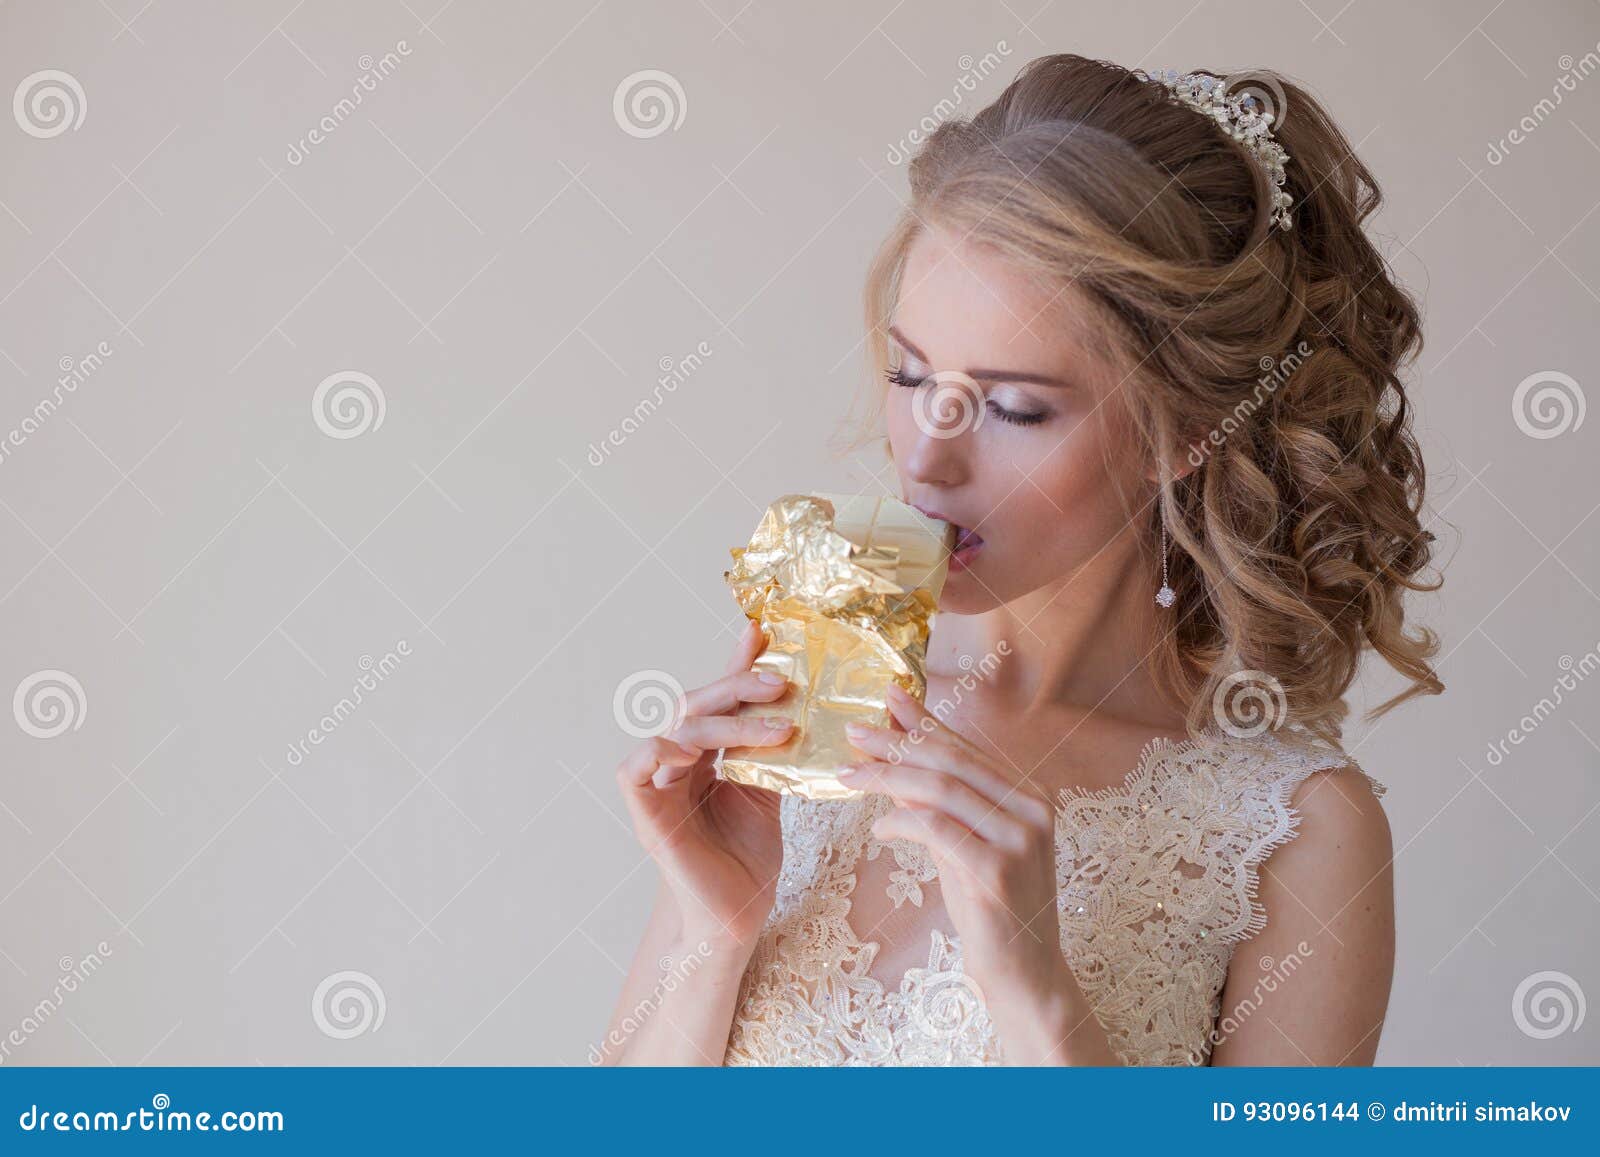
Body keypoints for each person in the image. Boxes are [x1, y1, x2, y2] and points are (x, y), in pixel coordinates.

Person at [603, 53, 1442, 1066]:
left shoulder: (1299, 830)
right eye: (911, 374)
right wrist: (715, 929)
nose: (925, 450)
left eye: (1013, 406)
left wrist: (1035, 995)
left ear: (1187, 430)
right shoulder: (812, 712)